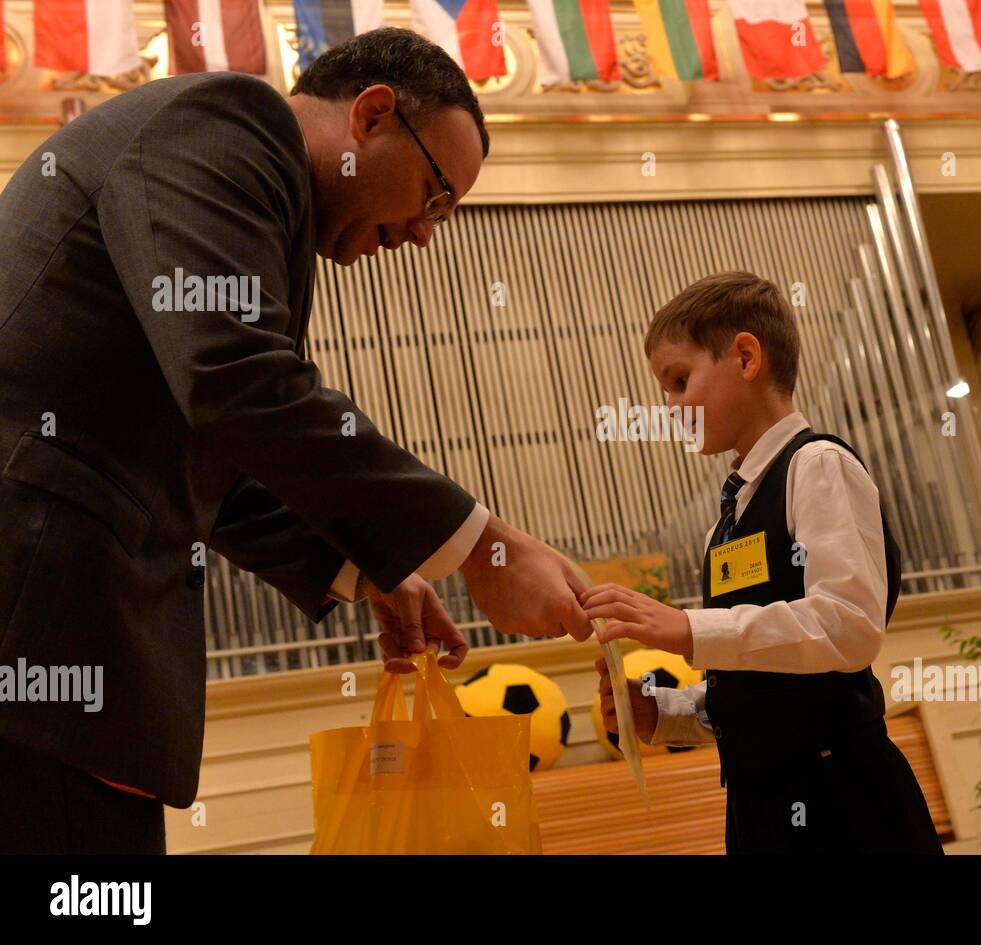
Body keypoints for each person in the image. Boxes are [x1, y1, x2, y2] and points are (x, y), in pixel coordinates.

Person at [0, 28, 590, 854]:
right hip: (37, 619)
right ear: (372, 115)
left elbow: (217, 443)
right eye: (435, 194)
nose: (425, 234)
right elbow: (234, 376)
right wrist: (483, 546)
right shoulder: (226, 120)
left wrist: (365, 563)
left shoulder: (246, 179)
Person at [586, 271, 942, 854]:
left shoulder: (817, 465)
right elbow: (759, 687)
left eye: (679, 381)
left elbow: (849, 627)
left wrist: (686, 627)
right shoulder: (724, 521)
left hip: (844, 798)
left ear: (746, 357)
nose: (671, 407)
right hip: (757, 803)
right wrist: (664, 713)